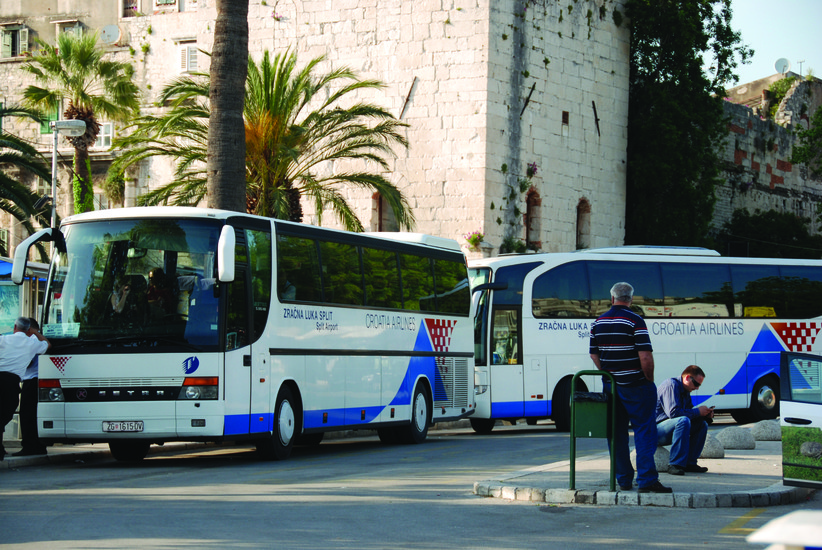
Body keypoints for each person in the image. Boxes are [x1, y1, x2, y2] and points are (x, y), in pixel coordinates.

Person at [589, 282, 671, 494]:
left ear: (612, 298)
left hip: (611, 386)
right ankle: (647, 480)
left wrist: (608, 373)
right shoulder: (635, 320)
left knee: (616, 433)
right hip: (636, 385)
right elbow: (645, 356)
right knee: (644, 430)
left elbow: (593, 354)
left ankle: (623, 479)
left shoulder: (598, 322)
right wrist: (649, 379)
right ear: (631, 299)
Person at [0, 317, 50, 460]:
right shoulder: (31, 343)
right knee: (5, 415)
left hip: (9, 379)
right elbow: (47, 344)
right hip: (12, 382)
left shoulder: (5, 339)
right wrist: (35, 333)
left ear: (15, 327)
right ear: (29, 330)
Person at [656, 364, 713, 475]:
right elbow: (674, 413)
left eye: (699, 385)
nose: (697, 388)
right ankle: (675, 464)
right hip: (655, 430)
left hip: (668, 428)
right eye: (696, 384)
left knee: (702, 424)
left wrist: (704, 415)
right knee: (683, 421)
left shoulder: (686, 390)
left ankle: (690, 463)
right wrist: (698, 411)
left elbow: (689, 412)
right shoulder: (671, 385)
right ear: (687, 377)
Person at [14, 318, 48, 456]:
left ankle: (30, 446)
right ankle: (36, 445)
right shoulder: (36, 339)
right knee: (31, 415)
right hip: (33, 379)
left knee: (27, 415)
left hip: (31, 379)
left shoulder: (32, 340)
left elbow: (27, 363)